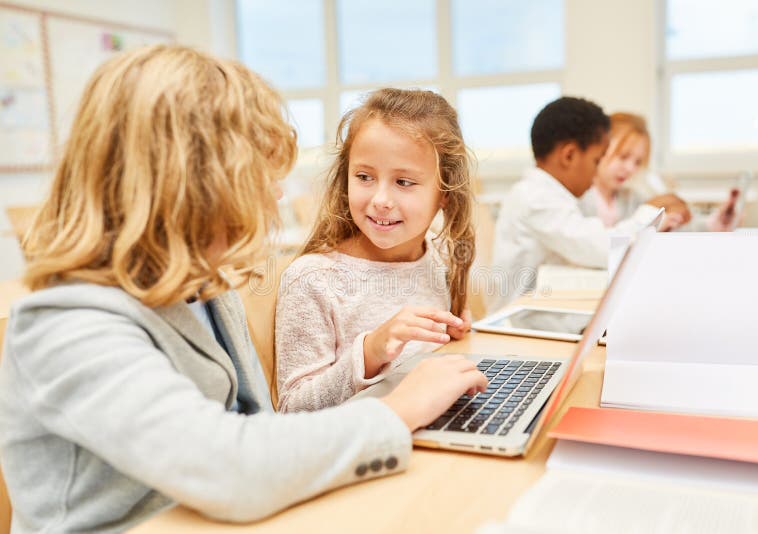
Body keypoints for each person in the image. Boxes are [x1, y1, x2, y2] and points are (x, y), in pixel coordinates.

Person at [0, 46, 486, 532]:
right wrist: (400, 409)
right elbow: (228, 465)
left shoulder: (207, 287)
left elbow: (264, 429)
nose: (275, 194)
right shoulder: (67, 326)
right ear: (183, 182)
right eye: (253, 173)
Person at [276, 88, 475, 413]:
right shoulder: (312, 279)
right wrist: (370, 352)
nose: (381, 199)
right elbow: (293, 410)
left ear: (445, 193)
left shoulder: (437, 259)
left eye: (404, 182)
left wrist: (457, 334)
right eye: (365, 177)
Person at [489, 97, 676, 312]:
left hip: (544, 313)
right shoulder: (534, 198)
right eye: (596, 161)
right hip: (514, 323)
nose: (597, 171)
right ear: (569, 156)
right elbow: (601, 248)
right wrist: (650, 212)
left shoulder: (554, 196)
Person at [580, 112, 738, 231]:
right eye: (623, 157)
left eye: (637, 162)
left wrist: (715, 222)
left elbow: (677, 222)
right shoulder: (579, 199)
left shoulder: (632, 198)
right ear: (600, 148)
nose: (630, 169)